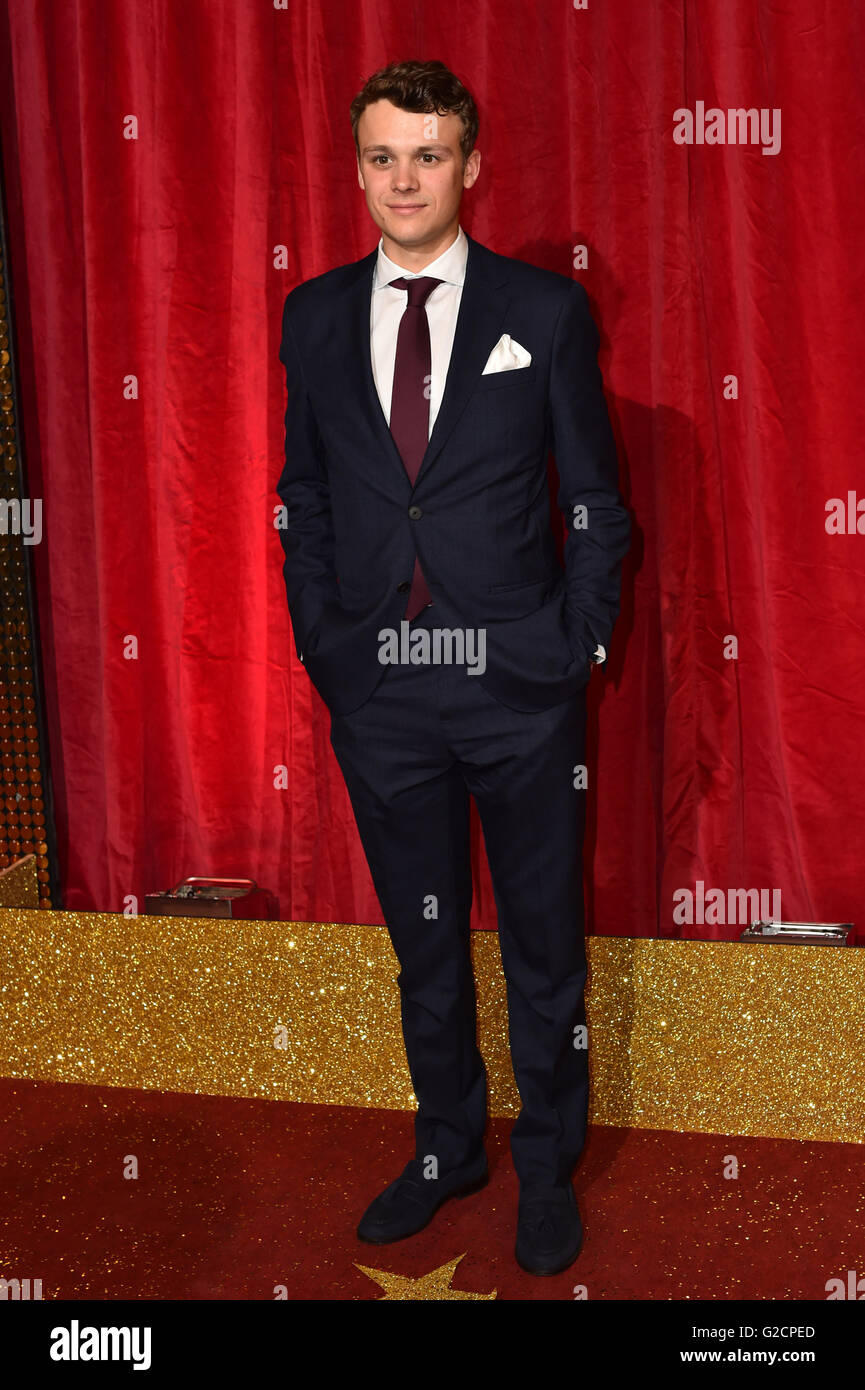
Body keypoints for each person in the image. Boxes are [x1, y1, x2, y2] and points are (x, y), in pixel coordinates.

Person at [276, 58, 630, 1276]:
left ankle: (545, 1164)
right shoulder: (314, 316)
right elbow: (303, 497)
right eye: (382, 156)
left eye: (428, 155)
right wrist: (331, 650)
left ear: (470, 166)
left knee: (542, 942)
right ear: (358, 167)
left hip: (517, 687)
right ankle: (446, 1150)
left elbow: (594, 497)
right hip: (380, 690)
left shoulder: (544, 313)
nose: (404, 179)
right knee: (423, 942)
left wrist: (571, 640)